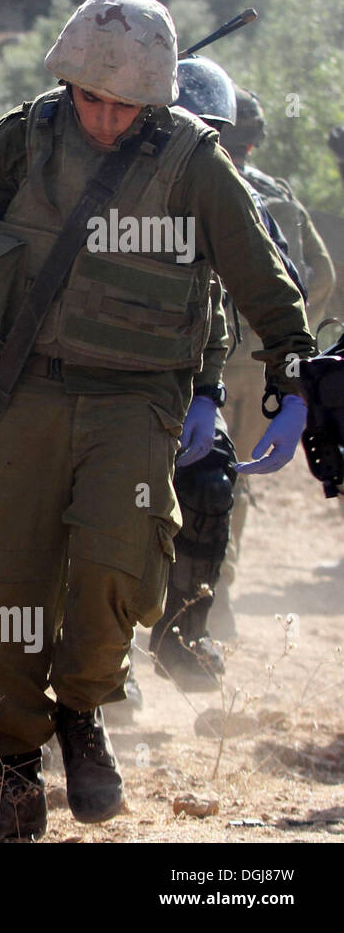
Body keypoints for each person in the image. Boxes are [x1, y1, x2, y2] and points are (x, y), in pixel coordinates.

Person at [0, 0, 315, 842]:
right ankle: (15, 777)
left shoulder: (193, 160)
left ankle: (85, 710)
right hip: (22, 392)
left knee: (112, 573)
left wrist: (291, 379)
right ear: (65, 81)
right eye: (89, 99)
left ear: (157, 99)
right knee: (2, 593)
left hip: (136, 400)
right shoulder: (22, 139)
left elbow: (260, 278)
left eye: (124, 105)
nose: (102, 119)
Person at [211, 85, 337, 636]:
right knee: (234, 482)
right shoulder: (279, 198)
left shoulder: (190, 189)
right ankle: (216, 595)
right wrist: (294, 347)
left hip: (199, 370)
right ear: (255, 142)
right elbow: (324, 277)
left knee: (173, 477)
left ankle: (167, 597)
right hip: (266, 370)